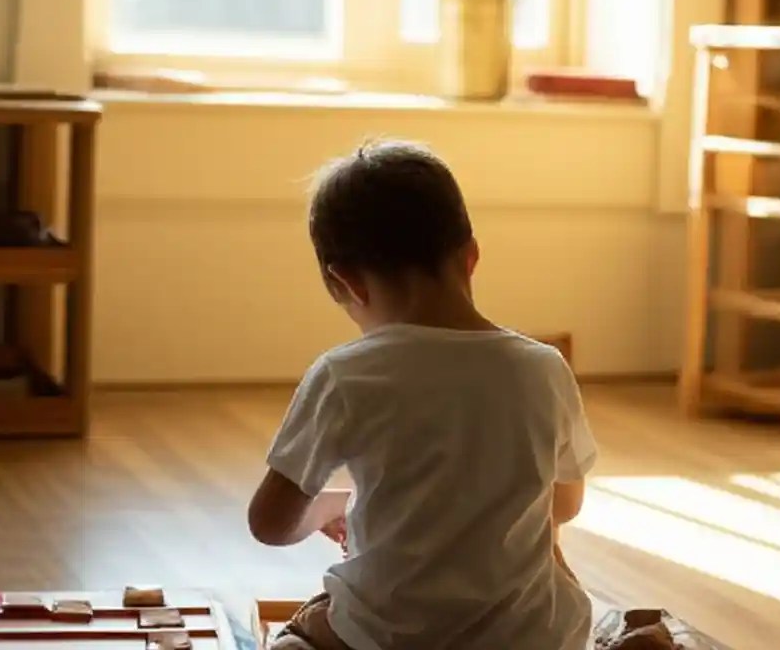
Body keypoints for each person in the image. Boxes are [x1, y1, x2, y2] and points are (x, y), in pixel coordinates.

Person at [247, 140, 598, 650]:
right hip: (531, 639)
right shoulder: (544, 368)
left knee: (307, 631)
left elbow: (270, 523)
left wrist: (328, 509)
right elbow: (563, 504)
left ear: (346, 284)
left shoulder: (345, 376)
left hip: (391, 639)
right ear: (471, 257)